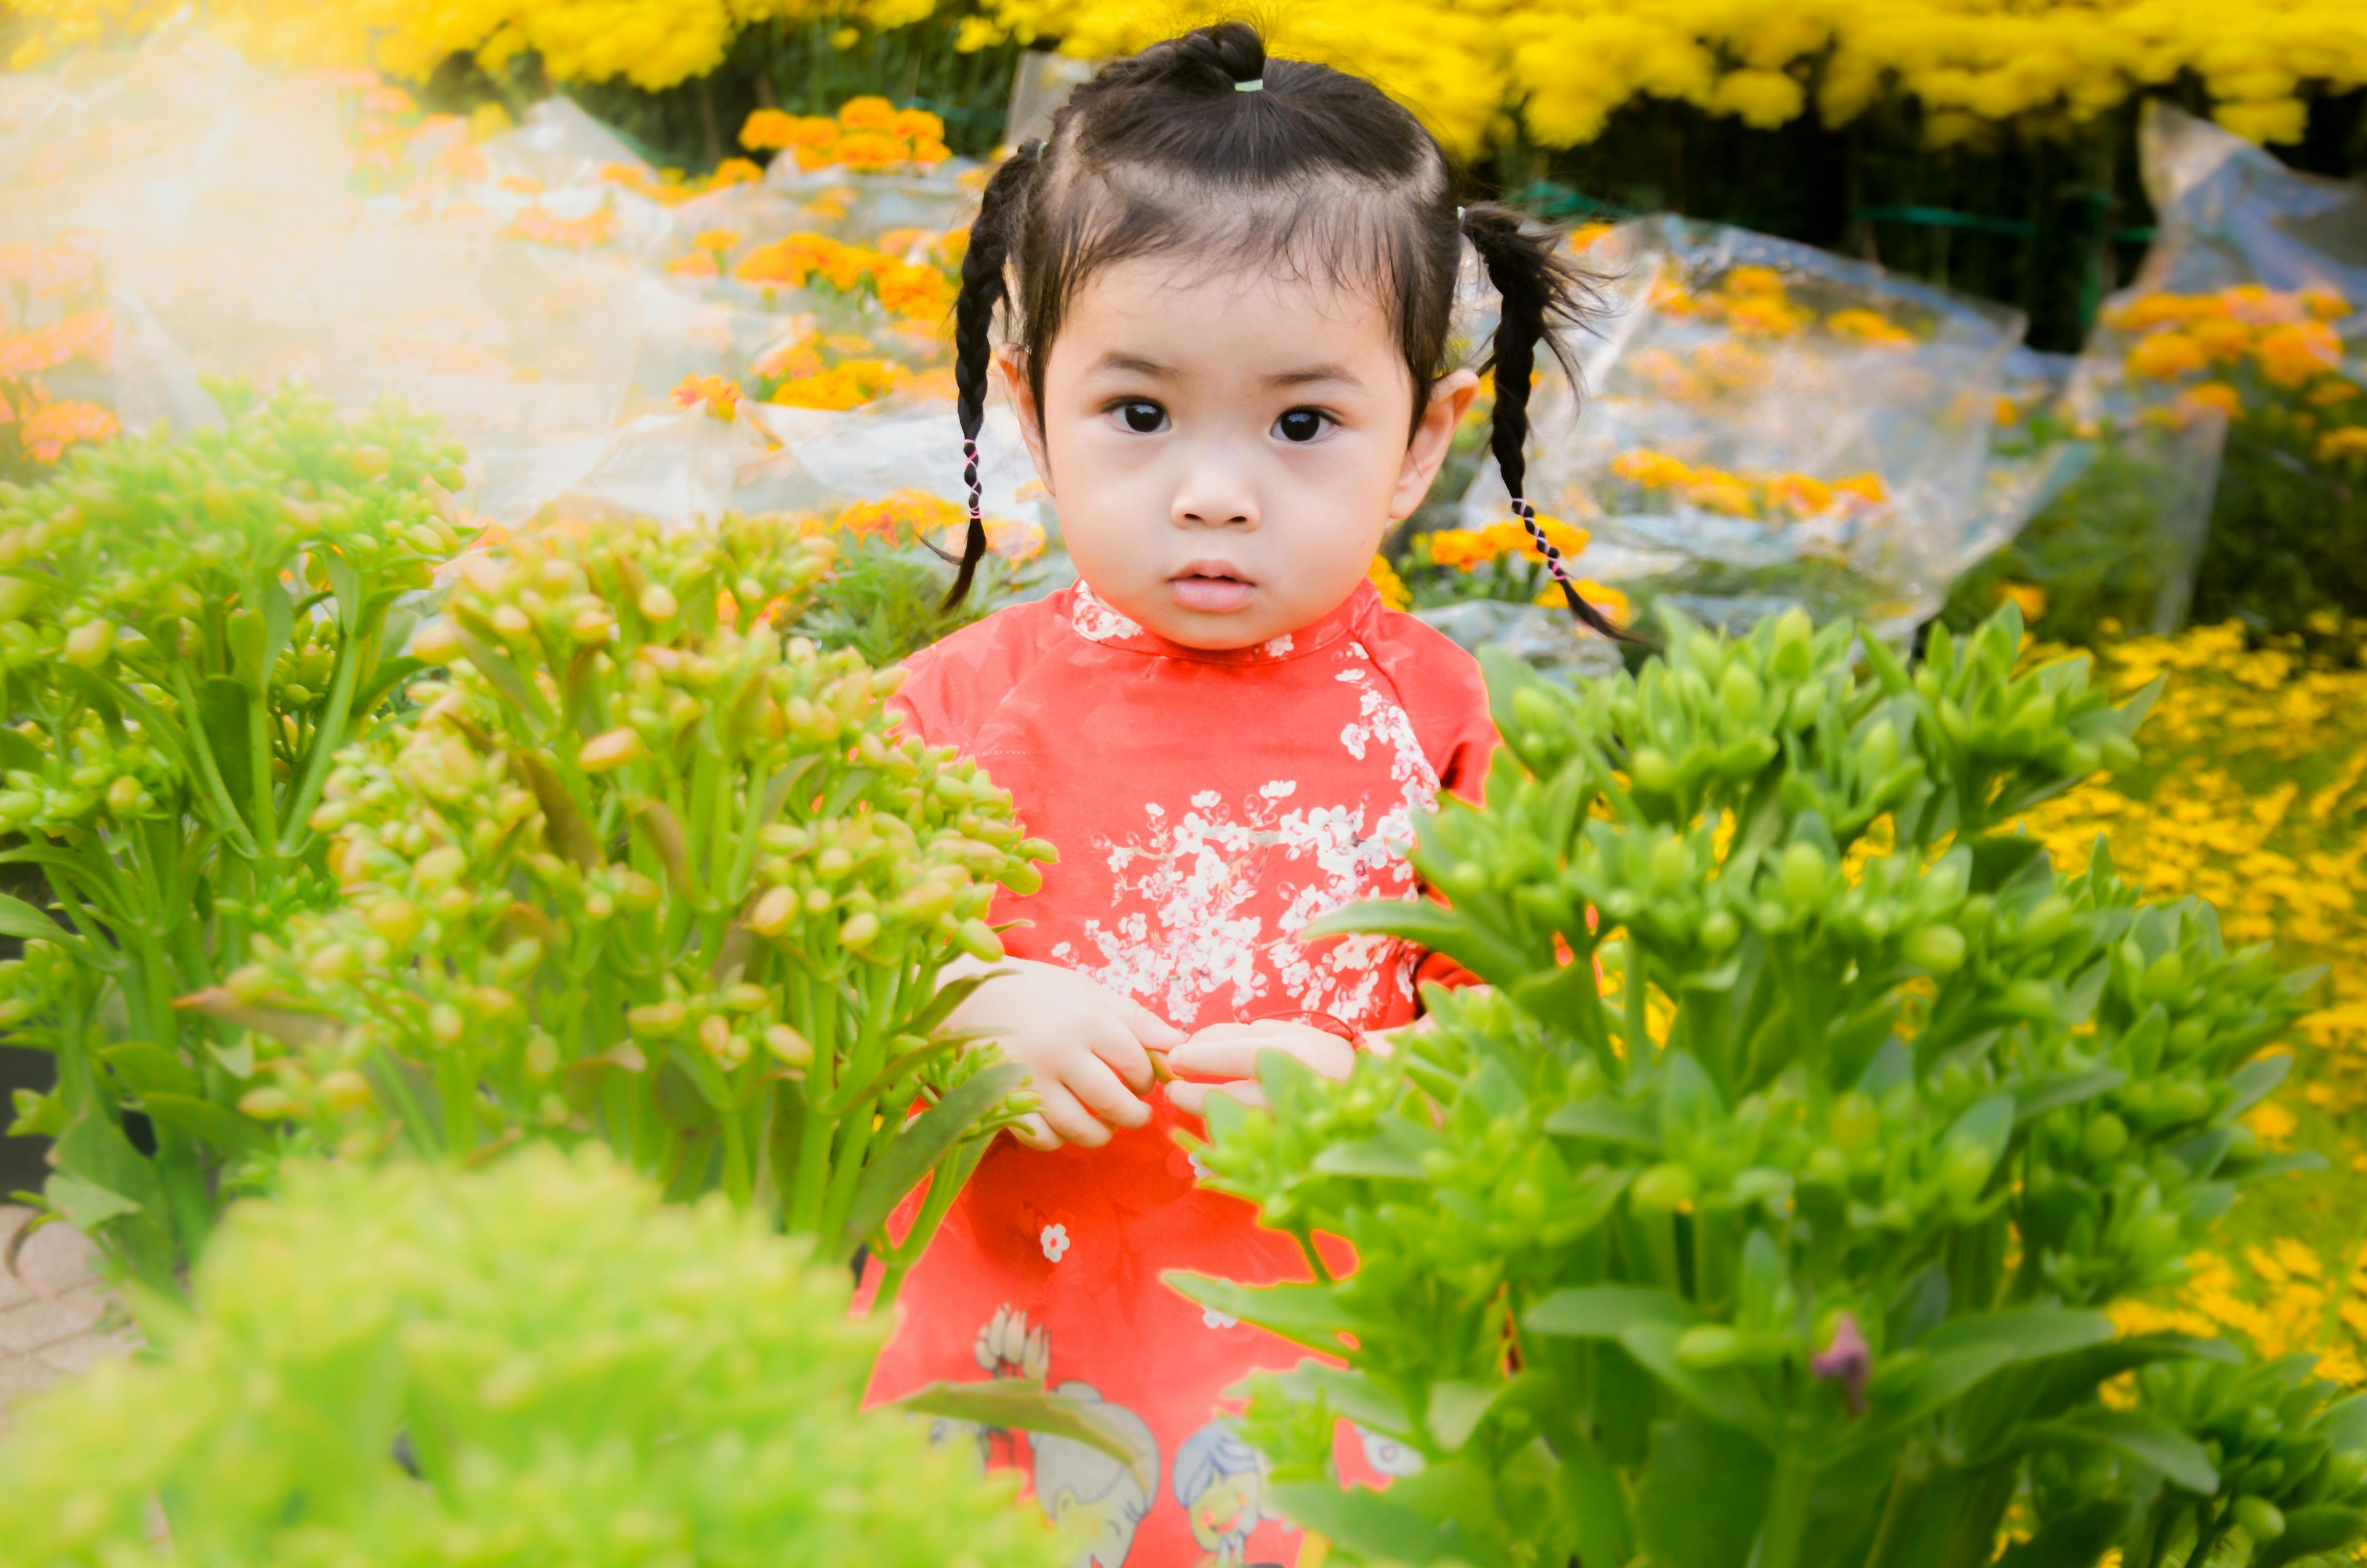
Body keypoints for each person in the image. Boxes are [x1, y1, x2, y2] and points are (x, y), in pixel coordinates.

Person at [861, 22, 1612, 1567]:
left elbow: (1546, 1031)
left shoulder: (1441, 718)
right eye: (1140, 415)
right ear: (1030, 404)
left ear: (1419, 443)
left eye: (1302, 423)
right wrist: (958, 999)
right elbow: (805, 980)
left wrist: (1379, 1086)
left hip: (1319, 1343)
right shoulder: (948, 706)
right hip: (1005, 1333)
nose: (1216, 488)